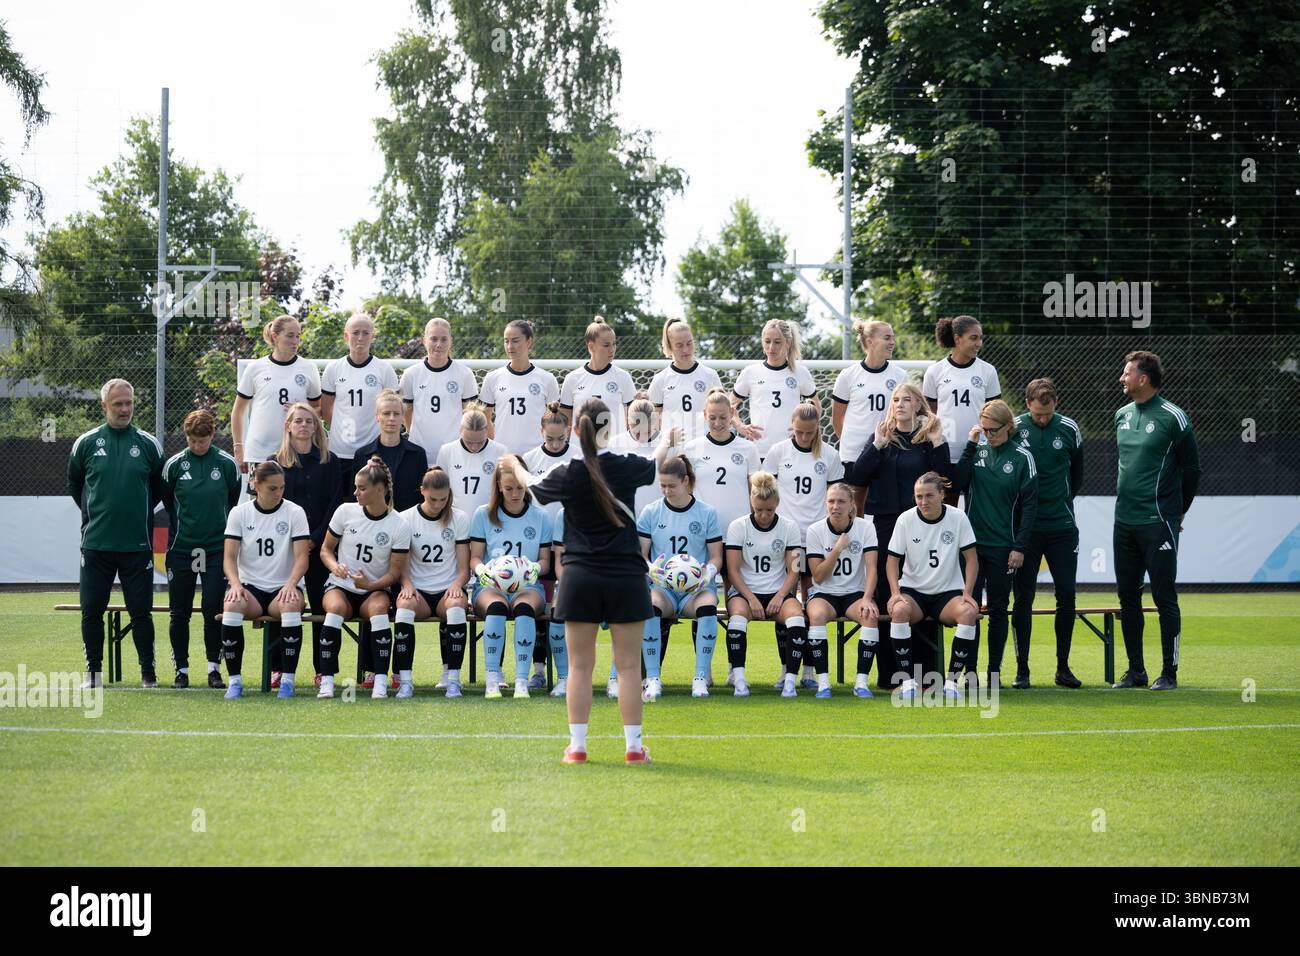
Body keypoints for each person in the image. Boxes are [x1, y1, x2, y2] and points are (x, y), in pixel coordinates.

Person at [503, 398, 676, 764]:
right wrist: (668, 438)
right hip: (626, 577)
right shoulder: (626, 466)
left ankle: (578, 747)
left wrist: (512, 465)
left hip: (580, 576)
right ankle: (633, 749)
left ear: (575, 431)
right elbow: (656, 460)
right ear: (608, 429)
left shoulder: (568, 472)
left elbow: (531, 486)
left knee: (580, 666)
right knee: (628, 666)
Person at [849, 381, 951, 688]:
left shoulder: (927, 439)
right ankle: (891, 674)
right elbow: (857, 477)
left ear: (918, 405)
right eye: (896, 400)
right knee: (885, 594)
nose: (900, 405)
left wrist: (938, 443)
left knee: (920, 590)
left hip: (920, 526)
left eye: (906, 400)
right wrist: (877, 445)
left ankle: (926, 675)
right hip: (884, 524)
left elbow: (944, 478)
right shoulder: (882, 437)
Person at [68, 378, 165, 688]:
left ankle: (148, 674)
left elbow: (159, 489)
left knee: (141, 612)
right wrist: (94, 516)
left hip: (137, 545)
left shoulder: (149, 444)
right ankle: (93, 673)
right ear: (104, 406)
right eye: (118, 404)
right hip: (96, 544)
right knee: (91, 611)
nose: (125, 409)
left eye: (129, 403)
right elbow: (76, 486)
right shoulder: (85, 443)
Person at [1112, 350, 1200, 691]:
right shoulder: (1121, 415)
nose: (1122, 378)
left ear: (1143, 379)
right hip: (1124, 522)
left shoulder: (1173, 417)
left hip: (1158, 521)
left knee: (1164, 597)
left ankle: (1169, 673)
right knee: (1127, 597)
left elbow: (1191, 470)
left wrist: (1178, 511)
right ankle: (1136, 671)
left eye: (1127, 372)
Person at [952, 399, 1039, 688]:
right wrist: (969, 444)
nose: (988, 434)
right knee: (970, 608)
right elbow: (957, 482)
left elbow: (1029, 507)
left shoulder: (1022, 458)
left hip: (1004, 547)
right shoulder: (977, 451)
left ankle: (993, 672)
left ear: (1008, 427)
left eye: (993, 430)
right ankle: (971, 672)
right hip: (973, 548)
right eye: (985, 429)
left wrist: (1020, 547)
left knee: (1000, 609)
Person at [759, 401, 846, 688]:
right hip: (787, 539)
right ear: (792, 428)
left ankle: (809, 668)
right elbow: (765, 493)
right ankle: (787, 667)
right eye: (799, 432)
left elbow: (836, 497)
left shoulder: (830, 456)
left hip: (816, 539)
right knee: (784, 599)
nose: (804, 438)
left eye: (809, 433)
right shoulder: (778, 452)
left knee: (811, 600)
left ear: (817, 429)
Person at [316, 456, 411, 700]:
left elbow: (394, 573)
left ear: (380, 490)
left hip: (375, 589)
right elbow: (325, 550)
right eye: (356, 487)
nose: (355, 492)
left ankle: (380, 681)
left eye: (361, 488)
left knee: (379, 608)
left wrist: (369, 584)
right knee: (335, 608)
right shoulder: (345, 511)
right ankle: (326, 681)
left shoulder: (398, 524)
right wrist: (335, 566)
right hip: (340, 586)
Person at [1011, 378, 1085, 688]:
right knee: (1023, 598)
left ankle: (1063, 668)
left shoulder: (1069, 428)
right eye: (1039, 414)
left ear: (1056, 404)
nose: (1044, 419)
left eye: (1048, 413)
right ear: (1028, 404)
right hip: (1025, 531)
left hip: (1061, 528)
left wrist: (1060, 502)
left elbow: (1077, 476)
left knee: (1066, 595)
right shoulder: (1014, 427)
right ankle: (1022, 670)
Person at [160, 408, 241, 689]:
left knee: (212, 609)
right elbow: (169, 503)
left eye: (202, 441)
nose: (197, 446)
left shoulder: (227, 465)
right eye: (192, 441)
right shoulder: (173, 466)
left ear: (212, 436)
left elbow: (232, 503)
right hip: (181, 549)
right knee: (179, 612)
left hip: (217, 550)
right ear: (186, 437)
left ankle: (213, 669)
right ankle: (181, 670)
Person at [219, 461, 311, 700]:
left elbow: (302, 557)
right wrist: (236, 585)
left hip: (284, 586)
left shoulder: (294, 512)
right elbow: (229, 558)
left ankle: (287, 682)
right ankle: (235, 682)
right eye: (272, 488)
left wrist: (291, 584)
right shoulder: (240, 513)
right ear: (255, 485)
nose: (279, 493)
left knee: (290, 605)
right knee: (232, 605)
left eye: (282, 487)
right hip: (250, 587)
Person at [885, 472, 980, 701]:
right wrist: (895, 593)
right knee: (898, 610)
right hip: (914, 592)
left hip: (947, 594)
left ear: (941, 495)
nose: (923, 501)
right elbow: (892, 561)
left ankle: (950, 683)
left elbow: (972, 559)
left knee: (968, 613)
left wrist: (967, 592)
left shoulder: (958, 518)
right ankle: (908, 682)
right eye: (918, 496)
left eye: (929, 496)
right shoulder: (905, 519)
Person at [637, 454, 724, 701]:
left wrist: (707, 574)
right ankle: (653, 678)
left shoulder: (706, 513)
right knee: (650, 606)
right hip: (663, 586)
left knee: (708, 606)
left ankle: (700, 677)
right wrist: (652, 569)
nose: (666, 491)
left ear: (686, 481)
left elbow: (716, 556)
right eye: (662, 485)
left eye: (671, 485)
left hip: (695, 589)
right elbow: (639, 554)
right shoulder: (651, 512)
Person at [468, 457, 552, 698]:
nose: (515, 493)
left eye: (520, 487)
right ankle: (493, 678)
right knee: (496, 607)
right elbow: (474, 557)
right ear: (498, 486)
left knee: (524, 609)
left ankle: (521, 681)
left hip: (527, 586)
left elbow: (546, 562)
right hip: (491, 586)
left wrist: (534, 568)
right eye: (508, 488)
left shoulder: (540, 516)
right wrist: (482, 570)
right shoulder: (483, 515)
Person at [273, 402, 343, 689]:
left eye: (309, 421)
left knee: (321, 609)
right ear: (288, 426)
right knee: (282, 605)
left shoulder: (330, 461)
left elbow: (335, 504)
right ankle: (278, 666)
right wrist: (296, 542)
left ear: (316, 426)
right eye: (298, 420)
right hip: (285, 551)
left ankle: (322, 668)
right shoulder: (274, 462)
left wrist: (316, 538)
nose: (303, 425)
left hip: (320, 547)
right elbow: (270, 505)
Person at [723, 472, 804, 698]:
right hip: (745, 592)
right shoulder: (738, 526)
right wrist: (751, 598)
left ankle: (789, 680)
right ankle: (739, 680)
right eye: (758, 510)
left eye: (769, 510)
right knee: (737, 618)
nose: (764, 515)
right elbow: (733, 571)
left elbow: (794, 571)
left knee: (797, 618)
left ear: (777, 503)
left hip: (779, 591)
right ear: (751, 501)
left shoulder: (790, 527)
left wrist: (780, 596)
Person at [522, 401, 582, 690]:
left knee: (566, 611)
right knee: (539, 612)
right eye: (550, 439)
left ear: (569, 431)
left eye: (561, 438)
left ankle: (569, 671)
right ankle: (537, 670)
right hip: (540, 545)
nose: (556, 444)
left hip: (570, 542)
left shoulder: (580, 458)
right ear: (541, 431)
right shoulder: (530, 459)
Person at [798, 483, 879, 699]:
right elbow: (818, 576)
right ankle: (823, 682)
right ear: (825, 504)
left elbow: (872, 568)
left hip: (855, 593)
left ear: (852, 504)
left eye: (842, 501)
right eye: (831, 501)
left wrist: (867, 598)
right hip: (825, 593)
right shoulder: (815, 530)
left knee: (870, 615)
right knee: (815, 615)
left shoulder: (865, 528)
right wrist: (837, 549)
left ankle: (861, 683)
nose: (836, 506)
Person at [396, 466, 470, 698]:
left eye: (443, 499)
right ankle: (405, 681)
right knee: (404, 607)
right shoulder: (405, 518)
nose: (438, 504)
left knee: (457, 606)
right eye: (433, 499)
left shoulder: (459, 518)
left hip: (447, 589)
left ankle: (453, 680)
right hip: (419, 591)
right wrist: (407, 585)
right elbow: (401, 565)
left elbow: (464, 569)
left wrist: (457, 585)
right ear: (422, 491)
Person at [921, 315, 1001, 505]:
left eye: (980, 338)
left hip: (979, 451)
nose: (979, 343)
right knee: (948, 510)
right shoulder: (935, 371)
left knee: (978, 511)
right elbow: (929, 414)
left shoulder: (987, 371)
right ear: (957, 339)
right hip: (945, 453)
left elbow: (995, 414)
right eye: (973, 338)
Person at [231, 315, 322, 477]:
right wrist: (238, 447)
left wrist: (300, 410)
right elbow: (238, 411)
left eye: (298, 336)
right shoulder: (255, 368)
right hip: (260, 452)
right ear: (275, 336)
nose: (296, 341)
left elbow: (317, 408)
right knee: (261, 501)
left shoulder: (308, 368)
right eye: (290, 336)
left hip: (297, 451)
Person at [832, 319, 908, 512]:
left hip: (889, 449)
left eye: (893, 337)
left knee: (886, 508)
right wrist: (851, 443)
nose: (892, 342)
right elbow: (837, 418)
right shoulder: (848, 375)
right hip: (854, 452)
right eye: (887, 337)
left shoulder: (899, 376)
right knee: (856, 509)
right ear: (870, 341)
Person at [320, 312, 399, 492]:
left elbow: (393, 408)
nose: (360, 338)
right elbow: (326, 410)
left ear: (373, 336)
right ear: (346, 335)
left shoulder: (384, 369)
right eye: (355, 332)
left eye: (366, 333)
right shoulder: (334, 369)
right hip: (340, 449)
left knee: (373, 498)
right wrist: (344, 428)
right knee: (340, 500)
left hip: (374, 449)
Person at [732, 319, 817, 460]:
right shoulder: (751, 372)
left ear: (787, 343)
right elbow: (730, 406)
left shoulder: (800, 372)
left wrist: (804, 430)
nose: (771, 347)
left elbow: (817, 406)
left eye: (777, 342)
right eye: (767, 341)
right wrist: (740, 426)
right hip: (759, 451)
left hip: (791, 450)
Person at [399, 317, 480, 461]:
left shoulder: (464, 374)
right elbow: (407, 412)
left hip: (454, 453)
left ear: (451, 341)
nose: (438, 344)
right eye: (433, 339)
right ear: (425, 341)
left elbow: (469, 414)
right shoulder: (411, 374)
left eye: (444, 339)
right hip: (419, 452)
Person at [683, 387, 759, 533]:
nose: (717, 423)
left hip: (739, 531)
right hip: (703, 530)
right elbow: (687, 491)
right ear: (705, 415)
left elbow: (754, 492)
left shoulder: (748, 448)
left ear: (731, 413)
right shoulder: (692, 448)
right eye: (712, 418)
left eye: (723, 417)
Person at [479, 319, 560, 454]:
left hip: (537, 454)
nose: (510, 346)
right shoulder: (492, 378)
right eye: (506, 341)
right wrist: (496, 445)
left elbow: (554, 422)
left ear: (529, 342)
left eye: (515, 341)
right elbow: (484, 419)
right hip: (503, 455)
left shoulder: (547, 379)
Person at [647, 318, 724, 445]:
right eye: (679, 345)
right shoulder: (660, 380)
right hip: (673, 450)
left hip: (705, 447)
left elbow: (722, 412)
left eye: (689, 343)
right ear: (669, 346)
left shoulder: (710, 375)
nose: (685, 350)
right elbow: (653, 422)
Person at [558, 316, 637, 434]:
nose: (612, 349)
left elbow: (633, 420)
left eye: (614, 344)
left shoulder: (623, 377)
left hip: (614, 450)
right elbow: (566, 423)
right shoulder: (572, 379)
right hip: (580, 450)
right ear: (591, 346)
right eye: (606, 345)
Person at [354, 388, 428, 514]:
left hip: (407, 524)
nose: (392, 418)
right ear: (378, 417)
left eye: (396, 413)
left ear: (403, 417)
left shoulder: (418, 454)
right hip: (373, 524)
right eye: (386, 413)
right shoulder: (362, 455)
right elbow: (356, 497)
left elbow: (422, 497)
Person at [436, 403, 509, 520]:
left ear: (486, 430)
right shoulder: (447, 451)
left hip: (490, 521)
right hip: (456, 522)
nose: (474, 447)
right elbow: (440, 490)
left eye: (480, 442)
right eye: (469, 442)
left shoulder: (500, 451)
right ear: (460, 430)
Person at [608, 392, 662, 517]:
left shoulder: (668, 443)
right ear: (628, 421)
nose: (641, 437)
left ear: (655, 420)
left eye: (647, 431)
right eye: (637, 432)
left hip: (658, 517)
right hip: (624, 518)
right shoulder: (614, 444)